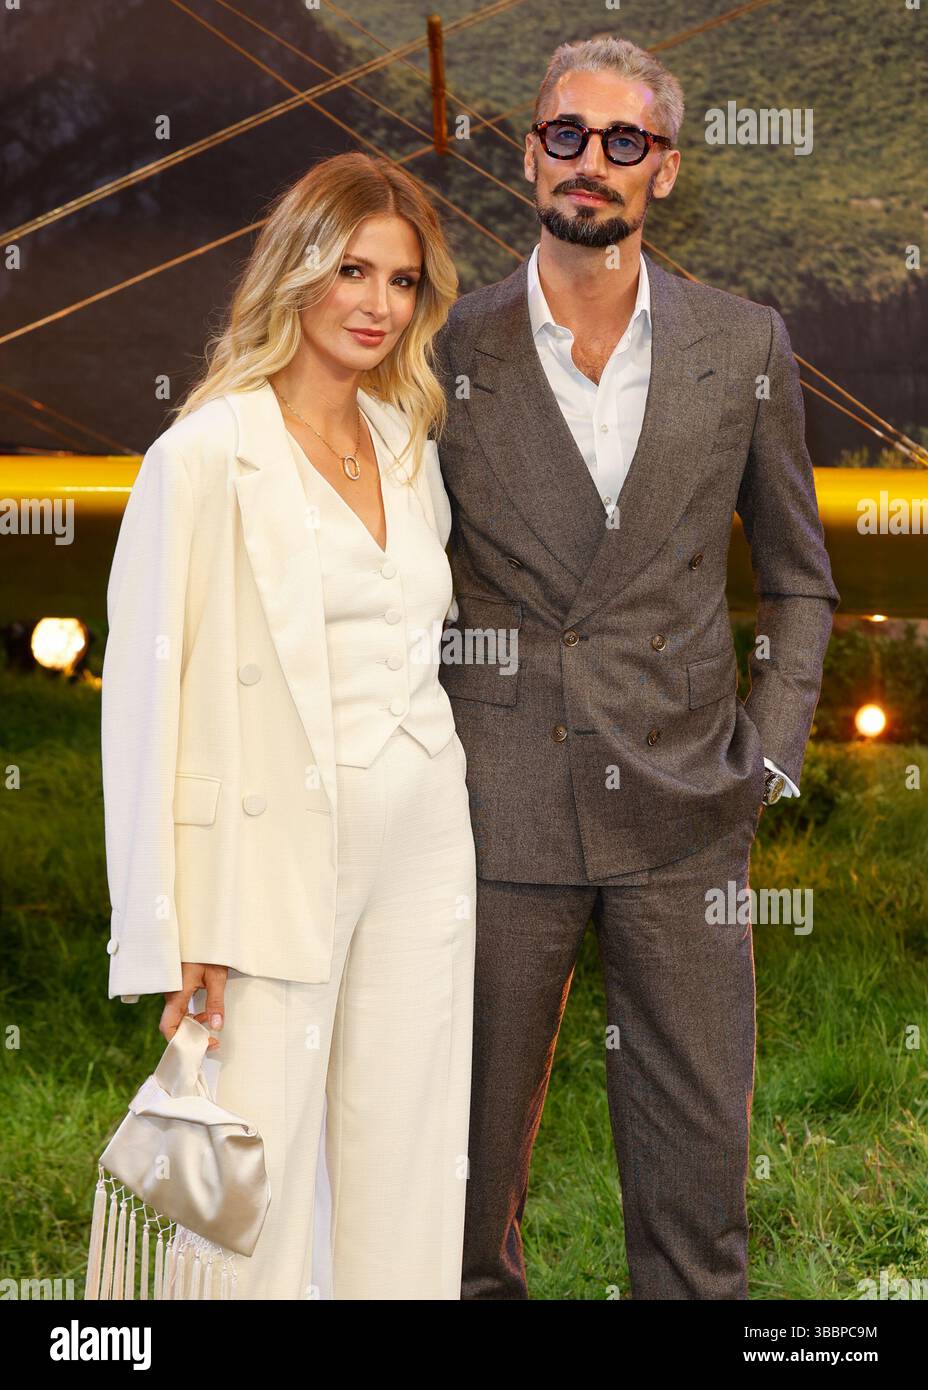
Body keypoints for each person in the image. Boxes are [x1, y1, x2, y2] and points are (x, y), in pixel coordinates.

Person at [434, 35, 840, 1299]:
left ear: (663, 170)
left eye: (624, 142)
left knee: (697, 1197)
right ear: (527, 154)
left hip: (686, 807)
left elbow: (800, 576)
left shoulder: (747, 344)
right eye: (567, 135)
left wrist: (765, 755)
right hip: (492, 806)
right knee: (457, 1189)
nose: (591, 163)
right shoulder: (443, 350)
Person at [101, 152, 476, 1299]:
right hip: (270, 859)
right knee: (247, 1170)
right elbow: (144, 701)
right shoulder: (205, 455)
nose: (375, 303)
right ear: (296, 269)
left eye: (402, 281)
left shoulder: (409, 443)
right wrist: (174, 922)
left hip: (425, 835)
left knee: (408, 1148)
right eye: (351, 269)